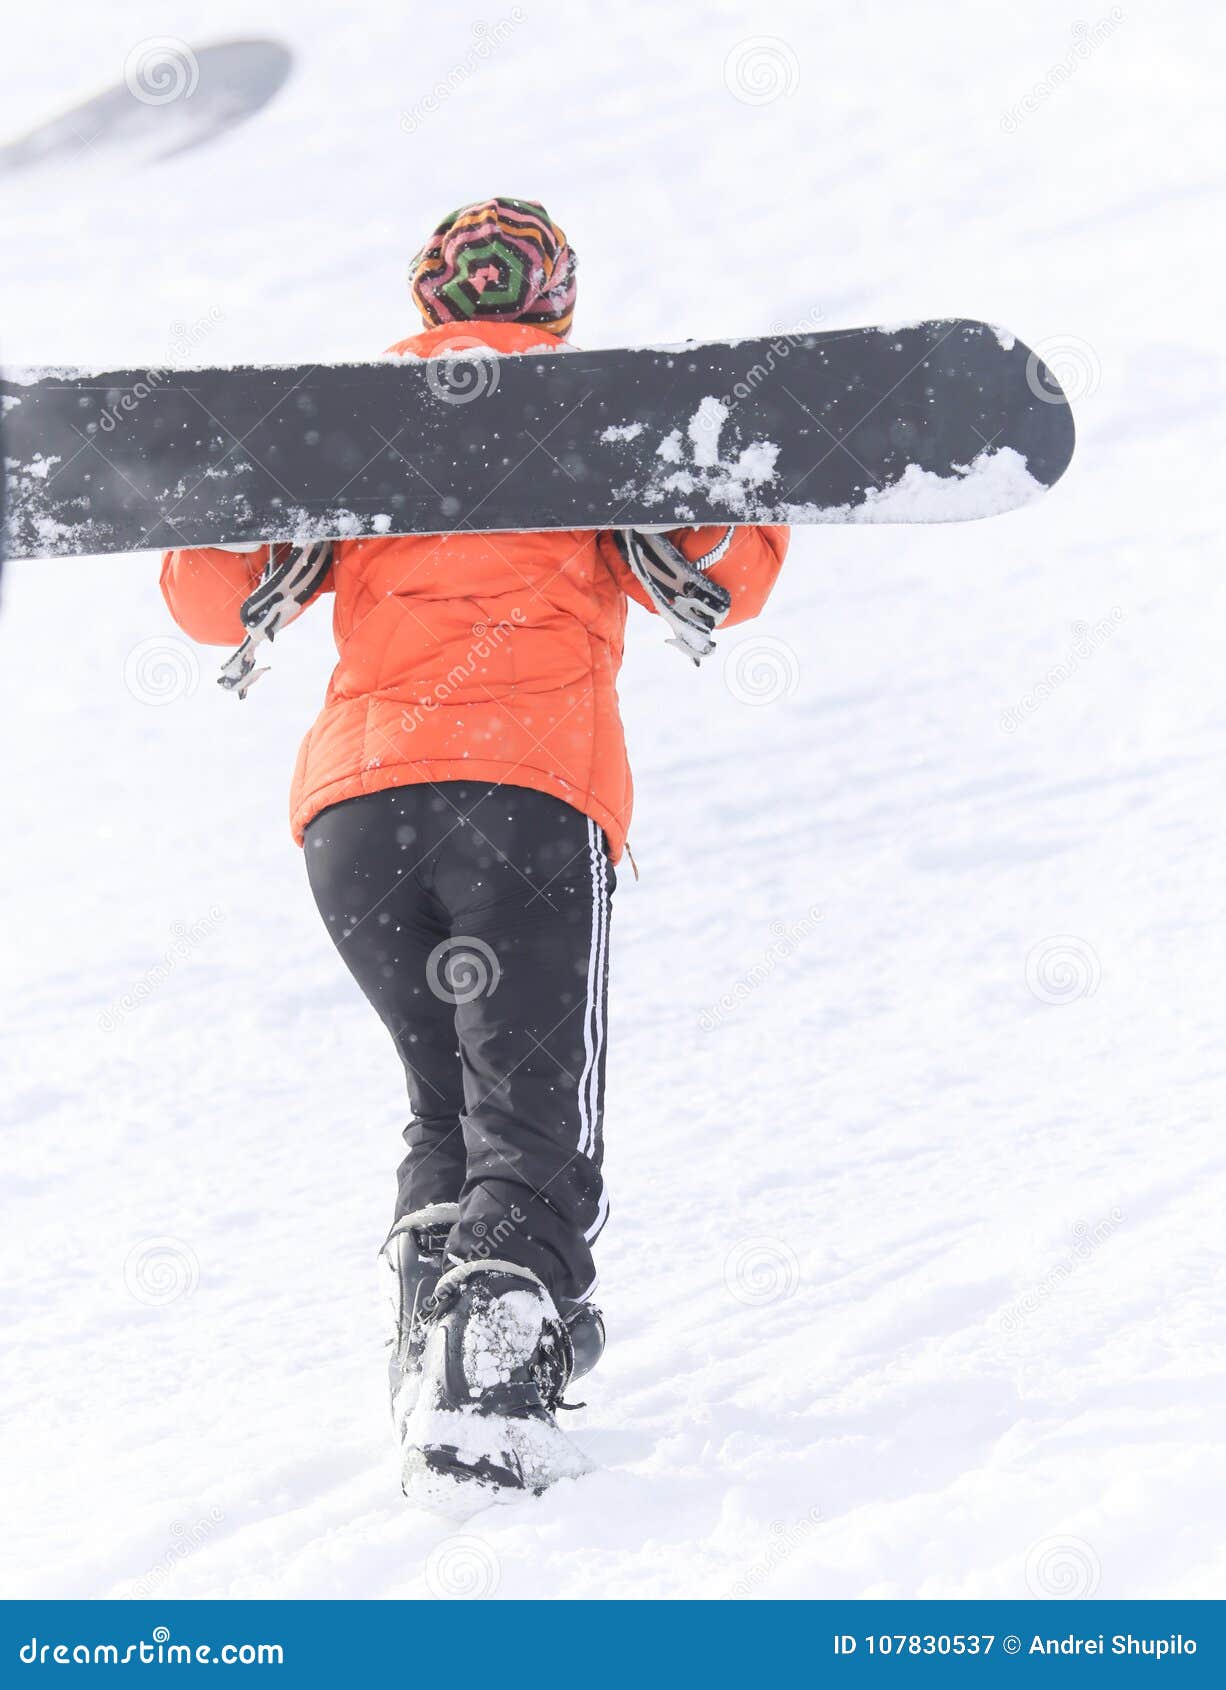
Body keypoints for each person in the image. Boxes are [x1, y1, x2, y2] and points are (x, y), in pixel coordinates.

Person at [160, 196, 788, 1506]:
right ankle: (489, 1388)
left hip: (357, 817)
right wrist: (739, 481)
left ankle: (427, 1342)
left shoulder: (346, 425)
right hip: (525, 795)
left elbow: (212, 597)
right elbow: (722, 576)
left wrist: (220, 488)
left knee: (448, 1096)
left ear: (427, 298)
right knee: (532, 1121)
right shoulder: (599, 417)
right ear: (555, 303)